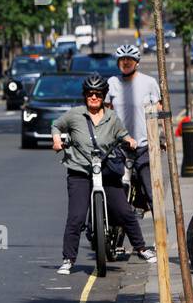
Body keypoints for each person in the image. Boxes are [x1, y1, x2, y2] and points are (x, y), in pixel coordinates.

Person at [52, 74, 156, 275]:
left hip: (106, 169)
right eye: (90, 94)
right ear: (85, 95)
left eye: (98, 94)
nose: (93, 97)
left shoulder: (111, 117)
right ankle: (68, 259)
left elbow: (122, 134)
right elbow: (57, 125)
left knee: (125, 212)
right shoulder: (75, 115)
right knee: (76, 217)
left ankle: (142, 248)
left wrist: (130, 140)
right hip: (80, 171)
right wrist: (57, 139)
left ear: (103, 96)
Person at [105, 43, 161, 214]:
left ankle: (161, 237)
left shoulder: (149, 83)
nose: (126, 62)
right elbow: (106, 112)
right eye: (122, 59)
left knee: (153, 193)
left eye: (130, 59)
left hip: (144, 146)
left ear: (137, 62)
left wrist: (163, 138)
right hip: (119, 147)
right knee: (116, 190)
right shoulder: (112, 83)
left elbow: (159, 111)